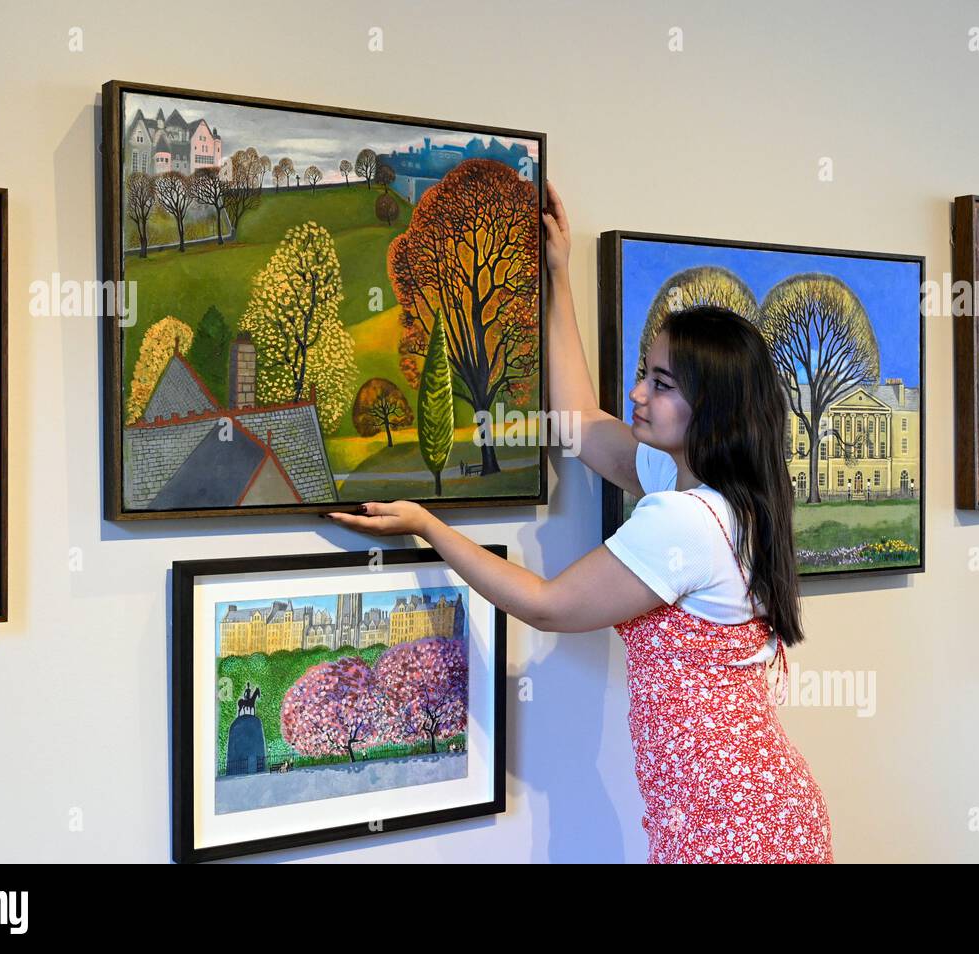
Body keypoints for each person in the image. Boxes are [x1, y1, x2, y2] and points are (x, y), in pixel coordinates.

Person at [325, 181, 833, 863]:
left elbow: (546, 605)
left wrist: (429, 525)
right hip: (751, 814)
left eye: (661, 383)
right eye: (643, 374)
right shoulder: (726, 497)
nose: (637, 394)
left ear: (710, 408)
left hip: (734, 832)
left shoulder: (682, 522)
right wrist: (558, 276)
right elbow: (581, 423)